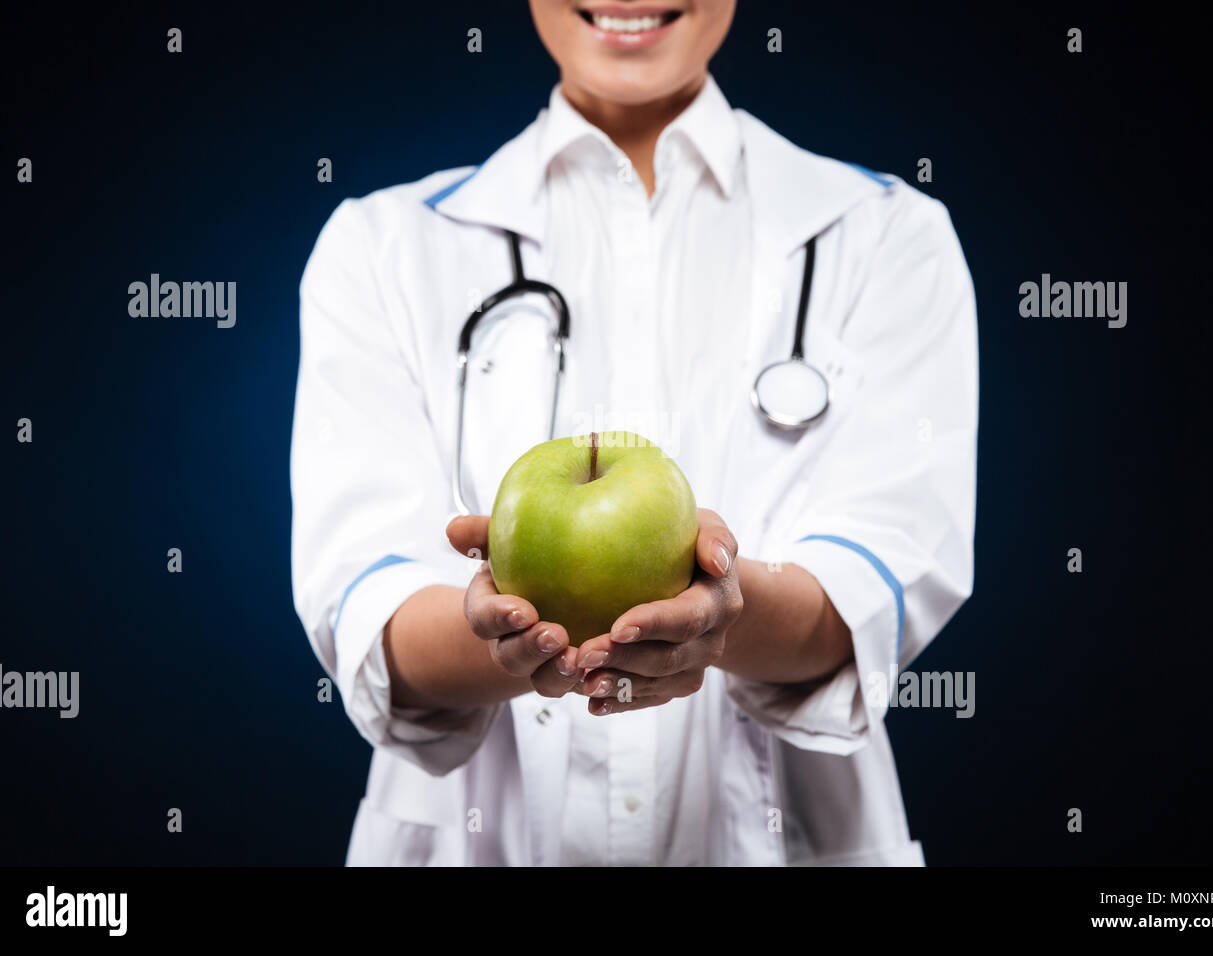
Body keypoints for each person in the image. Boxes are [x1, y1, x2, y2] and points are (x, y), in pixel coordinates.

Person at [291, 0, 977, 866]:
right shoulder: (384, 247)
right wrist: (493, 639)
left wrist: (725, 619)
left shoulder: (883, 237)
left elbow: (879, 584)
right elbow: (364, 600)